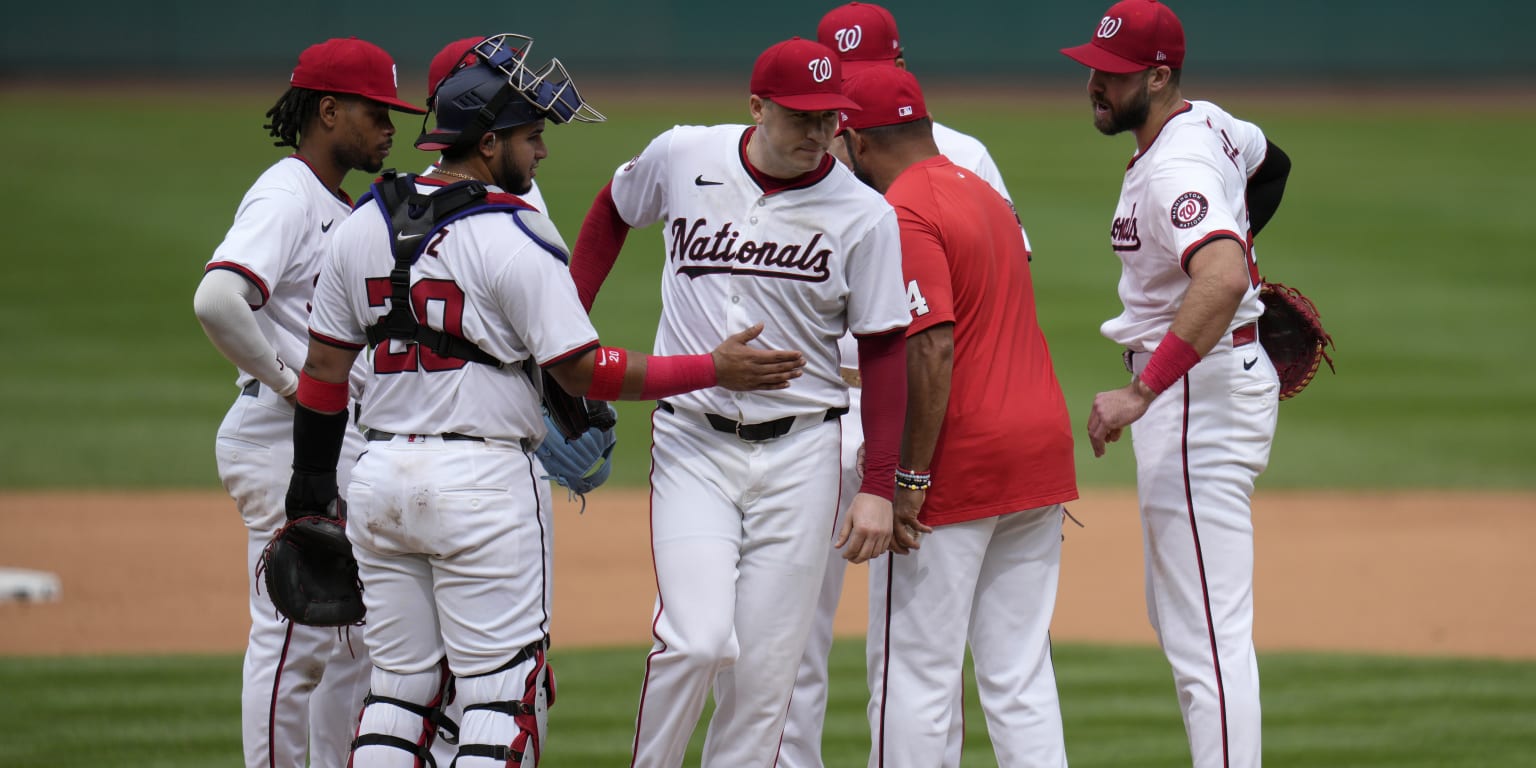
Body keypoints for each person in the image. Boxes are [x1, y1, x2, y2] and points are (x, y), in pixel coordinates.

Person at [286, 34, 805, 767]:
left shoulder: (362, 223)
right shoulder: (513, 236)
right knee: (501, 699)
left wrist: (307, 496)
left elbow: (322, 367)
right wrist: (711, 368)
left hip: (376, 481)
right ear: (489, 142)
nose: (543, 153)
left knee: (399, 694)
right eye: (532, 138)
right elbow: (583, 372)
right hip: (482, 487)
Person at [569, 36, 912, 768]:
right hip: (694, 443)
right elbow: (612, 209)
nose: (820, 134)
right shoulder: (683, 154)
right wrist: (567, 323)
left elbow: (885, 351)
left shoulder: (864, 214)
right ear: (755, 107)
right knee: (695, 641)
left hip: (804, 455)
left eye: (831, 119)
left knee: (764, 681)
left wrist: (879, 487)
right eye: (801, 118)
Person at [783, 4, 1029, 765]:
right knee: (800, 633)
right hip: (823, 410)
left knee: (902, 645)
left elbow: (998, 283)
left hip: (907, 407)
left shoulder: (951, 155)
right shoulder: (802, 153)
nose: (846, 109)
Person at [1061, 1, 1292, 765]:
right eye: (1093, 68)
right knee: (1184, 616)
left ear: (1159, 77)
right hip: (1214, 378)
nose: (1094, 83)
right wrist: (1243, 239)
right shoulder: (1211, 124)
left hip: (1196, 394)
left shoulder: (1178, 166)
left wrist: (1141, 391)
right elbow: (1272, 164)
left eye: (1112, 74)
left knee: (1206, 640)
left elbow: (1219, 277)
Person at [838, 65, 1080, 768]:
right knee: (1020, 677)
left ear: (859, 141)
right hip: (1038, 453)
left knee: (914, 673)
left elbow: (933, 348)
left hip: (959, 461)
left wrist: (907, 477)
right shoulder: (984, 193)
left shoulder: (904, 209)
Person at [192, 37, 423, 768]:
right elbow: (218, 299)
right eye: (377, 111)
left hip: (321, 442)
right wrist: (297, 387)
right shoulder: (287, 195)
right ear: (328, 110)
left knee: (353, 637)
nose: (391, 126)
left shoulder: (336, 203)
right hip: (278, 438)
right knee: (292, 639)